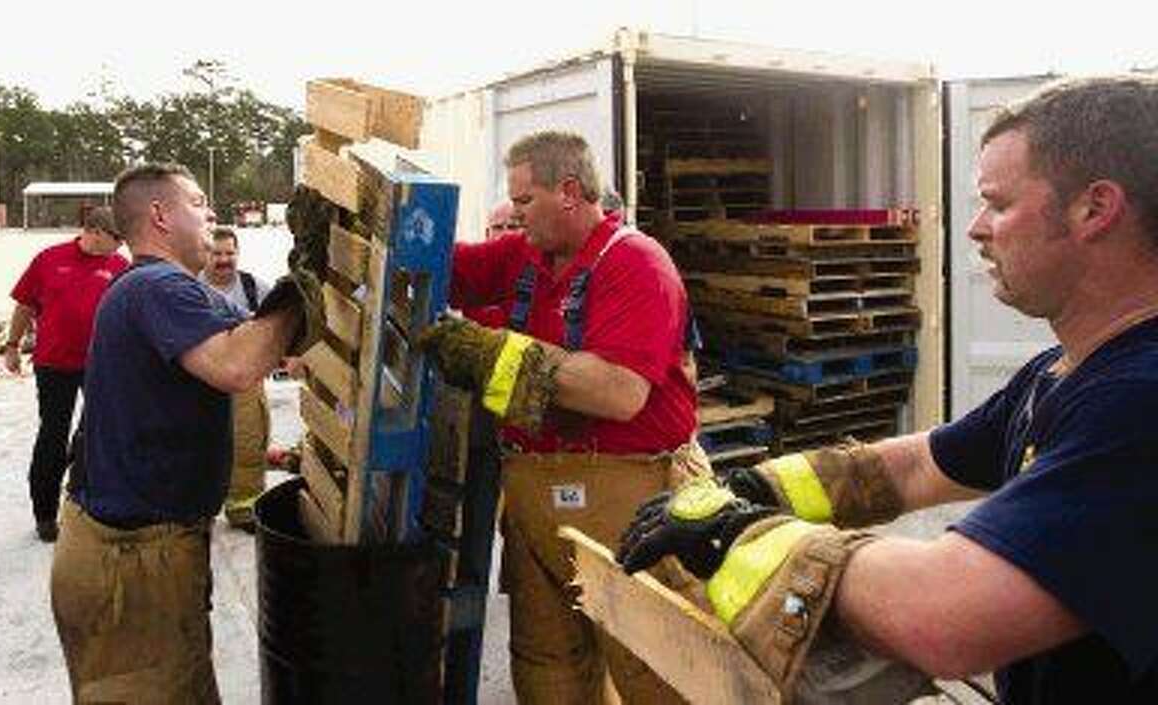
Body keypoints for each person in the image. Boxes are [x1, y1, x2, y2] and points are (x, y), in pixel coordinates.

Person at [617, 75, 1158, 704]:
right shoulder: (1061, 372)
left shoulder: (1140, 398)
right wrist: (754, 487)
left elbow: (947, 615)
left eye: (999, 203)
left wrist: (739, 533)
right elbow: (919, 464)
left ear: (1095, 209)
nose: (978, 228)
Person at [421, 130, 711, 705]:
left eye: (525, 202)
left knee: (658, 668)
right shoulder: (525, 255)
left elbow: (618, 392)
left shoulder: (636, 263)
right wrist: (361, 227)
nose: (516, 217)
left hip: (632, 501)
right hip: (535, 502)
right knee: (547, 664)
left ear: (570, 192)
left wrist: (489, 351)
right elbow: (441, 266)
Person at [49, 163, 311, 703]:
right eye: (198, 203)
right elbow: (237, 365)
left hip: (135, 553)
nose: (211, 214)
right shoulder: (156, 284)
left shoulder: (152, 288)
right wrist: (302, 287)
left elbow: (243, 332)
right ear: (160, 216)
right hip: (133, 563)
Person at [4, 206, 128, 542]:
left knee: (99, 432)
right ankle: (44, 512)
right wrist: (12, 345)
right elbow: (24, 304)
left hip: (100, 364)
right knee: (52, 435)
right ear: (96, 231)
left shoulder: (119, 266)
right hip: (54, 364)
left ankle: (93, 502)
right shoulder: (49, 259)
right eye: (117, 239)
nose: (121, 246)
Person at [199, 226, 272, 531]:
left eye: (230, 253)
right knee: (197, 446)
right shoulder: (189, 286)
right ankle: (198, 510)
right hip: (200, 379)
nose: (224, 259)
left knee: (248, 443)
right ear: (206, 255)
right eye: (216, 253)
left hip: (246, 380)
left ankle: (244, 508)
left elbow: (280, 321)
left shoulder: (254, 286)